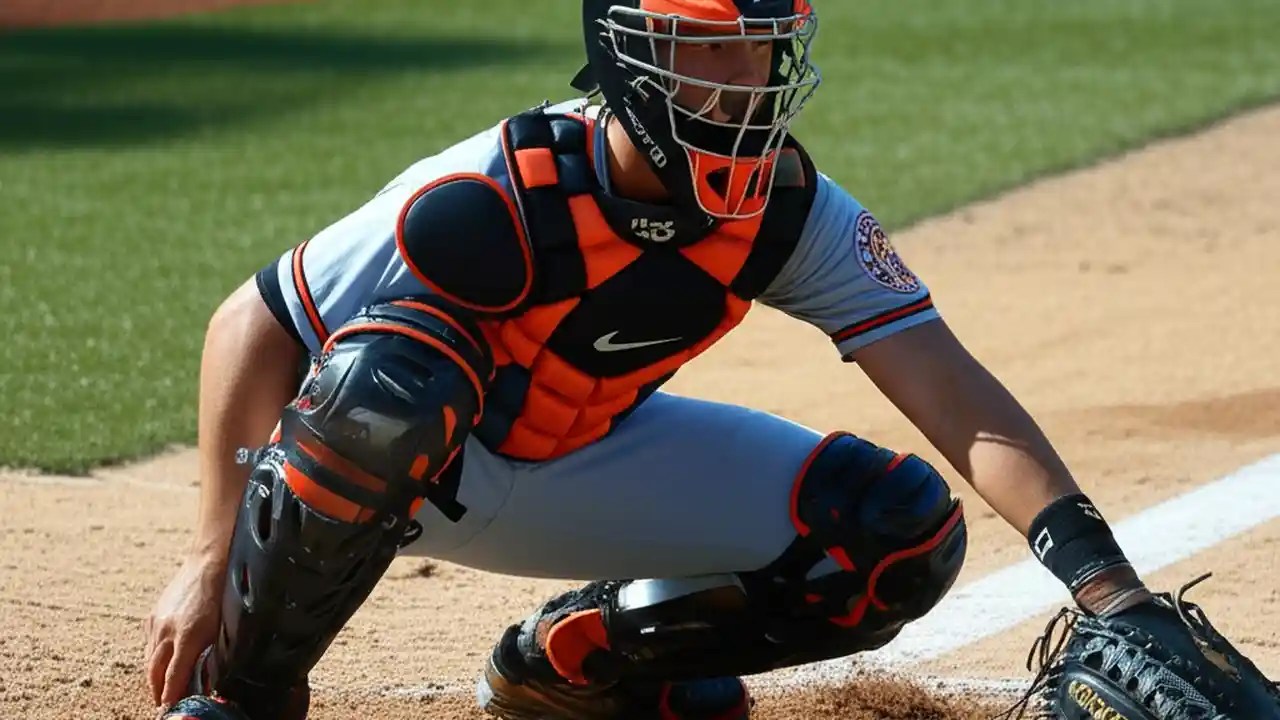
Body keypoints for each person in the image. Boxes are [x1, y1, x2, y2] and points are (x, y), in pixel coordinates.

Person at [142, 2, 1199, 718]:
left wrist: (1108, 590)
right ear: (626, 53)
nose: (742, 82)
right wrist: (209, 552)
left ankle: (578, 668)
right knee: (385, 383)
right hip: (396, 477)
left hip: (580, 461)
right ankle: (241, 693)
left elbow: (952, 390)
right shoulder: (492, 191)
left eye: (758, 48)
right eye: (706, 50)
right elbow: (253, 321)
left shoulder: (790, 214)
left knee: (893, 537)